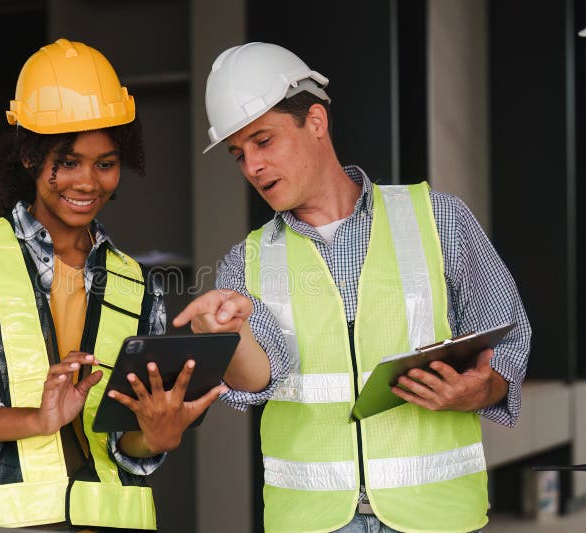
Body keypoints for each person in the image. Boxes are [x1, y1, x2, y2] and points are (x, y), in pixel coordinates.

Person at [174, 42, 531, 533]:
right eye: (238, 154)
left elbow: (506, 337)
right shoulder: (248, 260)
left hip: (434, 517)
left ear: (315, 121)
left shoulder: (438, 219)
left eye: (264, 141)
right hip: (312, 521)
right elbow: (257, 380)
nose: (252, 167)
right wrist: (228, 337)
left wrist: (483, 388)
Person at [0, 39, 225, 533]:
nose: (88, 182)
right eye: (68, 161)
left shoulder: (137, 284)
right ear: (31, 158)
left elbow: (124, 446)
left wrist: (157, 434)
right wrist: (37, 419)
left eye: (105, 163)